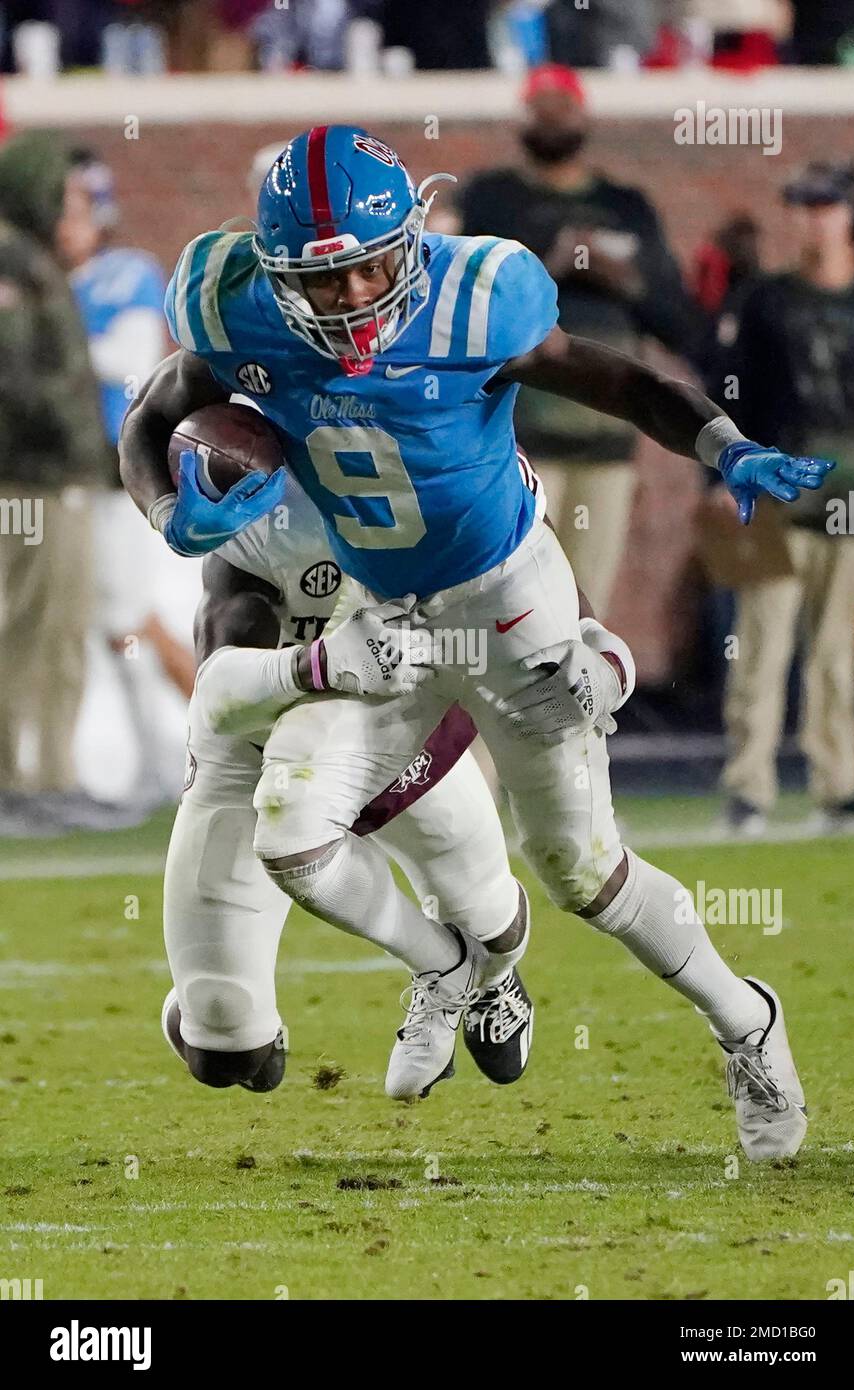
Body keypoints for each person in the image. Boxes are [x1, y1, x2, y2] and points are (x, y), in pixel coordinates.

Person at [120, 125, 833, 1161]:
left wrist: (720, 445)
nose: (353, 295)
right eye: (319, 280)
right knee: (291, 833)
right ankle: (448, 962)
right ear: (273, 278)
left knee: (582, 874)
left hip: (507, 601)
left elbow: (621, 380)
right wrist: (162, 513)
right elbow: (153, 413)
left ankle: (745, 1021)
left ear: (411, 239)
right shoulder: (230, 306)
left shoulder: (476, 297)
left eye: (369, 264)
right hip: (386, 617)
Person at [160, 464, 566, 1094]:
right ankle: (442, 964)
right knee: (227, 1048)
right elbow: (218, 693)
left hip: (391, 729)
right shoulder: (259, 514)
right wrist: (317, 663)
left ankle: (491, 978)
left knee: (491, 921)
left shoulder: (443, 467)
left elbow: (523, 591)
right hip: (253, 744)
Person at [458, 64, 701, 619]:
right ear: (521, 120)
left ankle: (583, 707)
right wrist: (549, 265)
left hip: (607, 441)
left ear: (584, 116)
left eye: (561, 108)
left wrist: (627, 280)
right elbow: (465, 307)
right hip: (517, 439)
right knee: (508, 601)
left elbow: (680, 323)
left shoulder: (626, 207)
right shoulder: (492, 202)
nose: (551, 120)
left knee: (587, 608)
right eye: (539, 109)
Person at [713, 162, 854, 835]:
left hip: (853, 496)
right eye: (802, 205)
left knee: (835, 652)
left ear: (848, 214)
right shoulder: (764, 299)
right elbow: (730, 391)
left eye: (825, 204)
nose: (813, 218)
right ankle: (750, 788)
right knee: (762, 645)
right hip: (775, 491)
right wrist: (720, 472)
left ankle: (839, 786)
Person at [63, 148, 197, 809]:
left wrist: (50, 341)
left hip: (120, 469)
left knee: (127, 620)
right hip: (69, 474)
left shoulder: (124, 274)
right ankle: (161, 758)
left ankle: (189, 754)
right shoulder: (47, 281)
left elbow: (129, 359)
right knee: (111, 622)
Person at [0, 131, 114, 835]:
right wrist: (75, 439)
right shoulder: (14, 262)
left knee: (61, 629)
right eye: (68, 194)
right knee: (32, 630)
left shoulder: (34, 259)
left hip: (54, 477)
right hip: (30, 481)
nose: (78, 208)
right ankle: (25, 778)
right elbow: (13, 379)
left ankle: (54, 770)